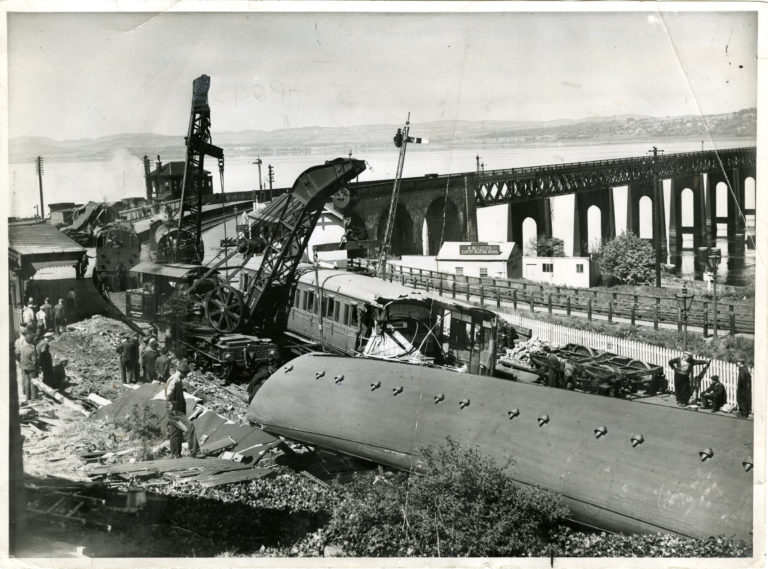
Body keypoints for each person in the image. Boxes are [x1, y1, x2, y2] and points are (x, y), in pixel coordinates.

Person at [165, 360, 199, 458]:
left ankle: (175, 454)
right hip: (175, 411)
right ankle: (195, 452)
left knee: (176, 431)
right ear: (183, 373)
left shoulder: (175, 379)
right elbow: (168, 394)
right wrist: (172, 401)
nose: (186, 376)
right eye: (186, 374)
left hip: (174, 411)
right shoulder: (175, 380)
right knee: (189, 427)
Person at [18, 330, 39, 402]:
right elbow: (34, 361)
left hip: (24, 367)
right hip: (31, 368)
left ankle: (28, 397)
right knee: (33, 382)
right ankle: (34, 397)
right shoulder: (32, 349)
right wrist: (38, 368)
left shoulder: (22, 348)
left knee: (27, 382)